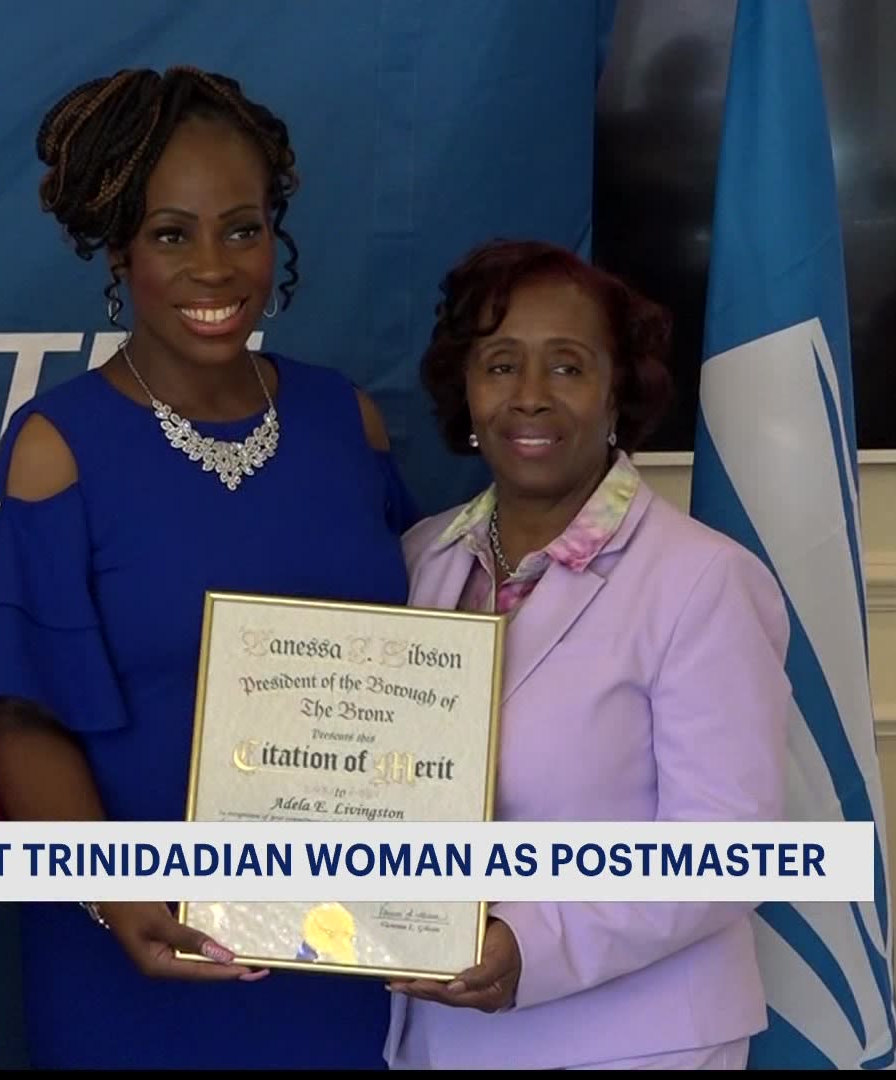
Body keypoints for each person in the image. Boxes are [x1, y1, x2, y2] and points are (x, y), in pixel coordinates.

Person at [0, 66, 418, 1069]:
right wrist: (116, 890)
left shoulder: (350, 424)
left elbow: (416, 681)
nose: (214, 267)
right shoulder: (56, 448)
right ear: (119, 250)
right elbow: (24, 718)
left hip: (342, 952)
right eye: (172, 234)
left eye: (242, 228)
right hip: (138, 954)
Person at [382, 239, 791, 1070]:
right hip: (443, 1035)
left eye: (567, 368)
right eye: (500, 365)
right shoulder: (422, 558)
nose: (529, 397)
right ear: (465, 390)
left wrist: (527, 943)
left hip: (635, 1043)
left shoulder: (703, 580)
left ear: (618, 394)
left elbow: (727, 853)